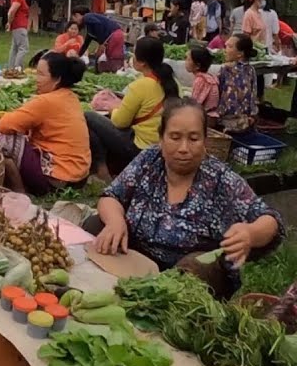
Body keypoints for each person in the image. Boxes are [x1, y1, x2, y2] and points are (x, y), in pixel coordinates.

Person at [88, 100, 284, 297]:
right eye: (174, 137)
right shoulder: (149, 160)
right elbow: (111, 196)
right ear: (161, 139)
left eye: (193, 138)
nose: (183, 148)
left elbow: (270, 219)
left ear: (205, 141)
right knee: (95, 225)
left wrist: (250, 233)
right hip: (139, 257)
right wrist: (115, 221)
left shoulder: (220, 178)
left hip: (193, 276)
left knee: (195, 266)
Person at [0, 53, 91, 196]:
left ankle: (20, 192)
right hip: (79, 178)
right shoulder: (70, 96)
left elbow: (3, 125)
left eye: (41, 75)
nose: (36, 79)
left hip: (57, 179)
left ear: (57, 79)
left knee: (4, 139)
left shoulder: (46, 101)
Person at [85, 37, 181, 177]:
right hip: (165, 145)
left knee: (88, 117)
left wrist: (113, 109)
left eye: (134, 54)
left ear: (141, 62)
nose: (132, 57)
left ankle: (101, 168)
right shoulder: (174, 83)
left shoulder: (140, 85)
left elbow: (120, 122)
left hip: (141, 147)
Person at [218, 34, 259, 133]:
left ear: (240, 54)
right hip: (245, 120)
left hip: (226, 120)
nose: (225, 49)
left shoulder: (226, 69)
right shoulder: (251, 69)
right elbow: (254, 96)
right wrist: (253, 115)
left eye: (230, 47)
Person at [73, 7, 126, 73]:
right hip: (113, 36)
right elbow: (86, 43)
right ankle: (107, 72)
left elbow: (98, 24)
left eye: (74, 18)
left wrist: (101, 44)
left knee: (113, 57)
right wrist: (78, 56)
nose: (75, 21)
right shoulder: (90, 28)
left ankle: (116, 73)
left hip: (114, 35)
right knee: (107, 57)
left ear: (77, 15)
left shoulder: (87, 17)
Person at [7, 0, 31, 69]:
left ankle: (11, 67)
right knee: (23, 48)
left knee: (15, 48)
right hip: (19, 26)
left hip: (17, 25)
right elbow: (12, 11)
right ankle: (17, 67)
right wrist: (9, 22)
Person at [187, 47, 219, 115]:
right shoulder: (208, 77)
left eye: (188, 59)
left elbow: (195, 104)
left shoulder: (201, 80)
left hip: (205, 116)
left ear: (197, 66)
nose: (186, 62)